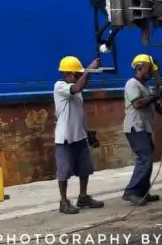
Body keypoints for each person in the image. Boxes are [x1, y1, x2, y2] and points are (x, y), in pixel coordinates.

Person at [53, 56, 104, 214]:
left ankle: (83, 197)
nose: (78, 78)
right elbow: (77, 88)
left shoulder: (76, 90)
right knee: (64, 171)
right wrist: (89, 70)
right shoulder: (60, 86)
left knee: (85, 169)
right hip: (65, 138)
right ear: (67, 74)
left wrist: (87, 132)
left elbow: (78, 114)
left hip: (79, 136)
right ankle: (63, 202)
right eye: (76, 75)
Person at [122, 54, 162, 206]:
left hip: (144, 128)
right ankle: (131, 192)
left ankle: (143, 192)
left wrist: (159, 100)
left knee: (148, 158)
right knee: (145, 157)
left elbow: (156, 107)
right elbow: (138, 103)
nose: (151, 72)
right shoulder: (132, 84)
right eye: (150, 69)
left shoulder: (146, 87)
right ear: (141, 67)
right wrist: (154, 97)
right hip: (135, 127)